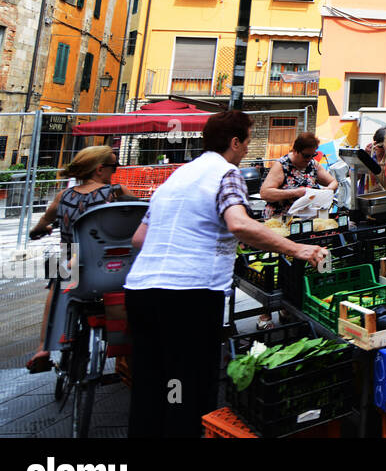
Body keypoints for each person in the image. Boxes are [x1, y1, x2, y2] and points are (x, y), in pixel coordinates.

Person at [124, 110, 328, 437]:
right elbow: (238, 223)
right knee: (185, 387)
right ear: (234, 142)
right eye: (247, 141)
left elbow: (139, 238)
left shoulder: (176, 176)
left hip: (141, 292)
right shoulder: (226, 173)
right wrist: (298, 249)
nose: (247, 149)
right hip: (189, 295)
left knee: (151, 384)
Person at [25, 146, 141, 373]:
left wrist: (40, 230)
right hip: (118, 270)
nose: (114, 173)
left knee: (56, 278)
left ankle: (43, 348)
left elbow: (41, 224)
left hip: (76, 270)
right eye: (113, 167)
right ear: (100, 169)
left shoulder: (64, 196)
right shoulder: (117, 192)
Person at [259, 132, 338, 216]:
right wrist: (295, 193)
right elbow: (265, 193)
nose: (309, 159)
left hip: (307, 219)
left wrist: (328, 189)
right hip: (282, 218)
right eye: (306, 156)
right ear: (295, 151)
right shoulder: (282, 165)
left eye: (313, 155)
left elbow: (333, 182)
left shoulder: (313, 164)